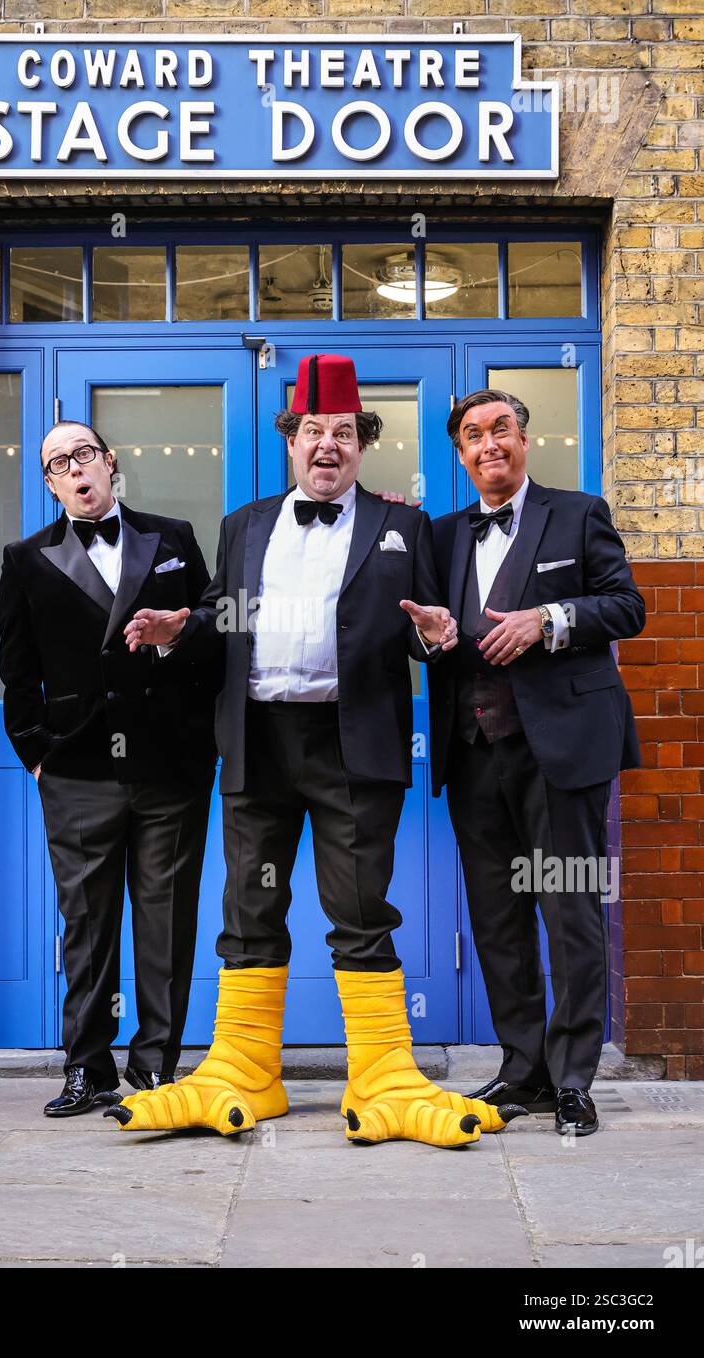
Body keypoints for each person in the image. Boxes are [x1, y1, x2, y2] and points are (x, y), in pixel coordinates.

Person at [103, 354, 525, 1149]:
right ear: (290, 441)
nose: (325, 445)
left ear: (361, 444)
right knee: (247, 908)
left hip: (352, 744)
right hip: (258, 739)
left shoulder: (404, 527)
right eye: (311, 431)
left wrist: (436, 639)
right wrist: (178, 630)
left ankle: (384, 1076)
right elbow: (218, 614)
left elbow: (427, 624)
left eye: (342, 433)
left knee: (359, 910)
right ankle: (241, 1070)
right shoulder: (246, 523)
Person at [427, 389, 645, 1137]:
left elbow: (626, 607)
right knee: (496, 920)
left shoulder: (578, 513)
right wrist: (428, 635)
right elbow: (435, 634)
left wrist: (547, 620)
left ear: (523, 439)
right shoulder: (441, 534)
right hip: (474, 754)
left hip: (563, 754)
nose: (487, 444)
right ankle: (523, 1071)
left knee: (570, 913)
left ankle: (574, 1079)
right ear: (459, 454)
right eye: (471, 436)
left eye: (500, 430)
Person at [0, 420, 218, 1117]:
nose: (75, 469)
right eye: (59, 463)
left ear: (110, 462)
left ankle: (155, 1067)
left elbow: (211, 634)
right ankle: (88, 1069)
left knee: (166, 920)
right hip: (78, 769)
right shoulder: (25, 557)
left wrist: (178, 639)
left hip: (169, 764)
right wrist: (36, 756)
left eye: (84, 454)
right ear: (50, 483)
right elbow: (16, 672)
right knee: (86, 925)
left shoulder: (173, 536)